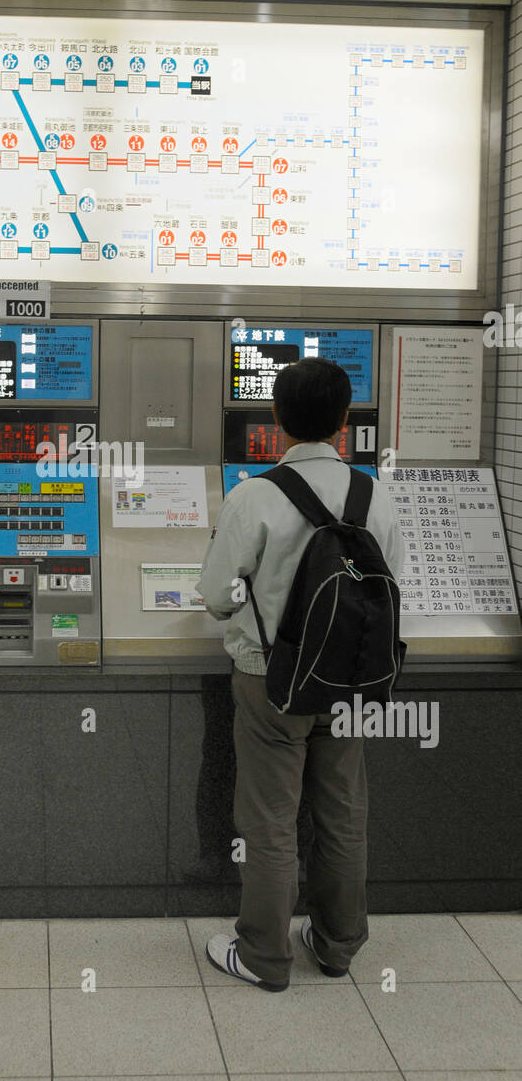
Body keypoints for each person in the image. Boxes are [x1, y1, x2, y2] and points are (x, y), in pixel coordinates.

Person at [196, 356, 406, 992]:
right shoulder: (376, 496)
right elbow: (389, 585)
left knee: (269, 820)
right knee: (342, 813)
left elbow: (217, 596)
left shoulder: (255, 495)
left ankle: (264, 953)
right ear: (344, 421)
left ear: (277, 418)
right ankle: (338, 944)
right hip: (352, 684)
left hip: (272, 683)